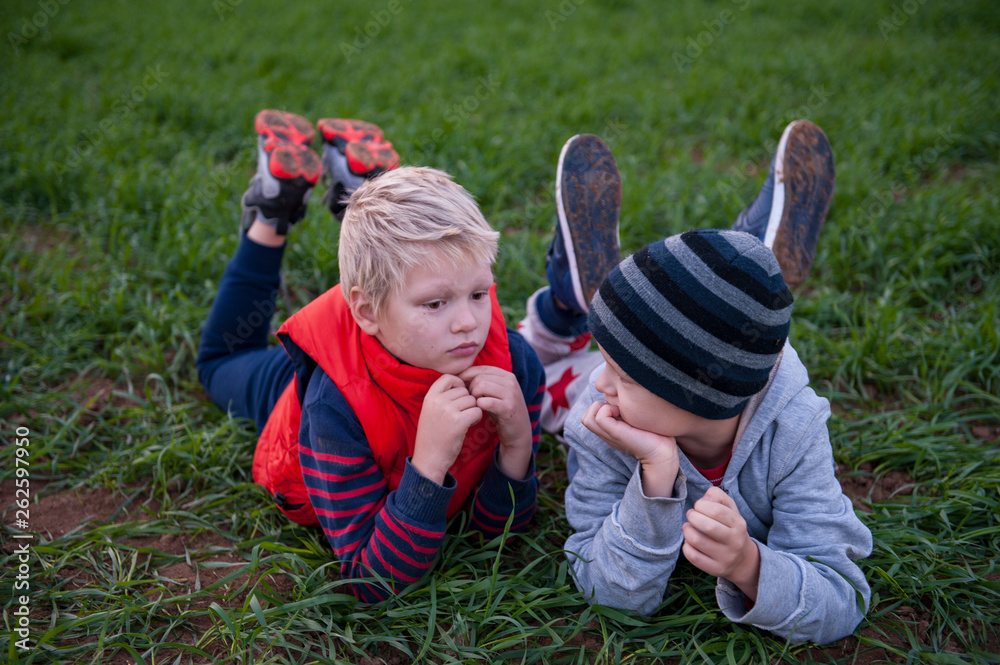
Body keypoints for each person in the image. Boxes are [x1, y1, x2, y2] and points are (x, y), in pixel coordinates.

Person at [527, 120, 874, 645]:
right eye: (611, 367)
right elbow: (608, 592)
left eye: (622, 376)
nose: (600, 385)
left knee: (565, 356)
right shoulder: (595, 424)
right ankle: (572, 301)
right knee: (536, 363)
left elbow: (840, 595)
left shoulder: (794, 430)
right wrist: (654, 480)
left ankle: (584, 297)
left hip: (696, 361)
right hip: (584, 371)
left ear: (701, 401)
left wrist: (751, 566)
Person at [197, 110, 549, 603]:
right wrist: (426, 468)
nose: (470, 321)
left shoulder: (515, 364)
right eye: (436, 303)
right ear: (363, 311)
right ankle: (274, 210)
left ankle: (366, 200)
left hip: (385, 335)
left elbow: (496, 537)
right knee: (220, 360)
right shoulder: (332, 411)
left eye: (478, 293)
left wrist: (516, 449)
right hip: (320, 381)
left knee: (395, 272)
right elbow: (370, 580)